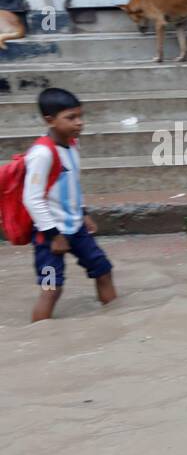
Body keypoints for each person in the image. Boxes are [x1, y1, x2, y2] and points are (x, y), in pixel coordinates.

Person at [25, 87, 116, 322]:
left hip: (76, 228)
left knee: (103, 270)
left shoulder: (73, 145)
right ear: (50, 120)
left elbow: (72, 183)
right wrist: (53, 235)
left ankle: (117, 318)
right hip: (49, 236)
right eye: (71, 118)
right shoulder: (41, 154)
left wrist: (83, 212)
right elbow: (32, 199)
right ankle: (38, 336)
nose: (79, 123)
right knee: (50, 288)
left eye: (80, 116)